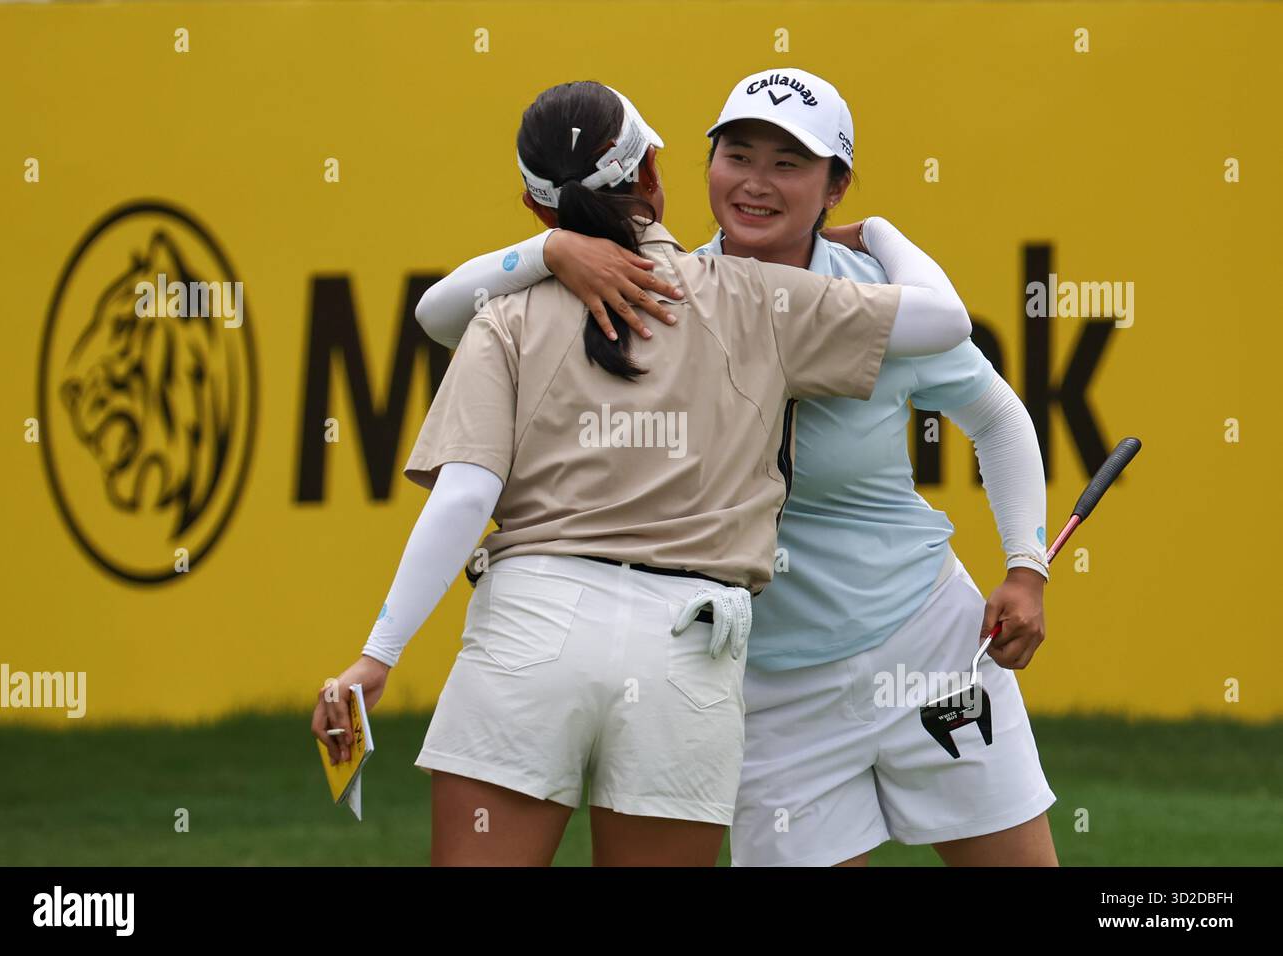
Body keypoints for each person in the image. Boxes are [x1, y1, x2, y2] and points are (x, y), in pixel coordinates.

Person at [311, 79, 973, 866]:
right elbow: (945, 319)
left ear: (534, 207)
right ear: (653, 175)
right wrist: (883, 233)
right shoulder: (759, 297)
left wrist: (379, 654)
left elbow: (464, 492)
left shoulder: (505, 314)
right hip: (688, 650)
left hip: (529, 631)